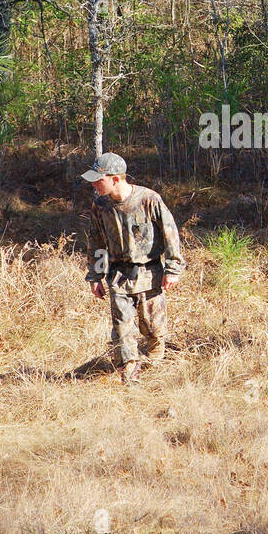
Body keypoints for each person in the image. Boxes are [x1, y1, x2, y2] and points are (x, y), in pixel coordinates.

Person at [81, 152, 185, 384]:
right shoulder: (100, 205)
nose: (94, 184)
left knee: (153, 328)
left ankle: (156, 366)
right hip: (118, 275)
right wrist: (96, 276)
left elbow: (170, 234)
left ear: (115, 179)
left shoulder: (149, 199)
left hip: (150, 273)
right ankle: (130, 379)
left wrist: (173, 268)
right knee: (122, 330)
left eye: (99, 180)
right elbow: (96, 241)